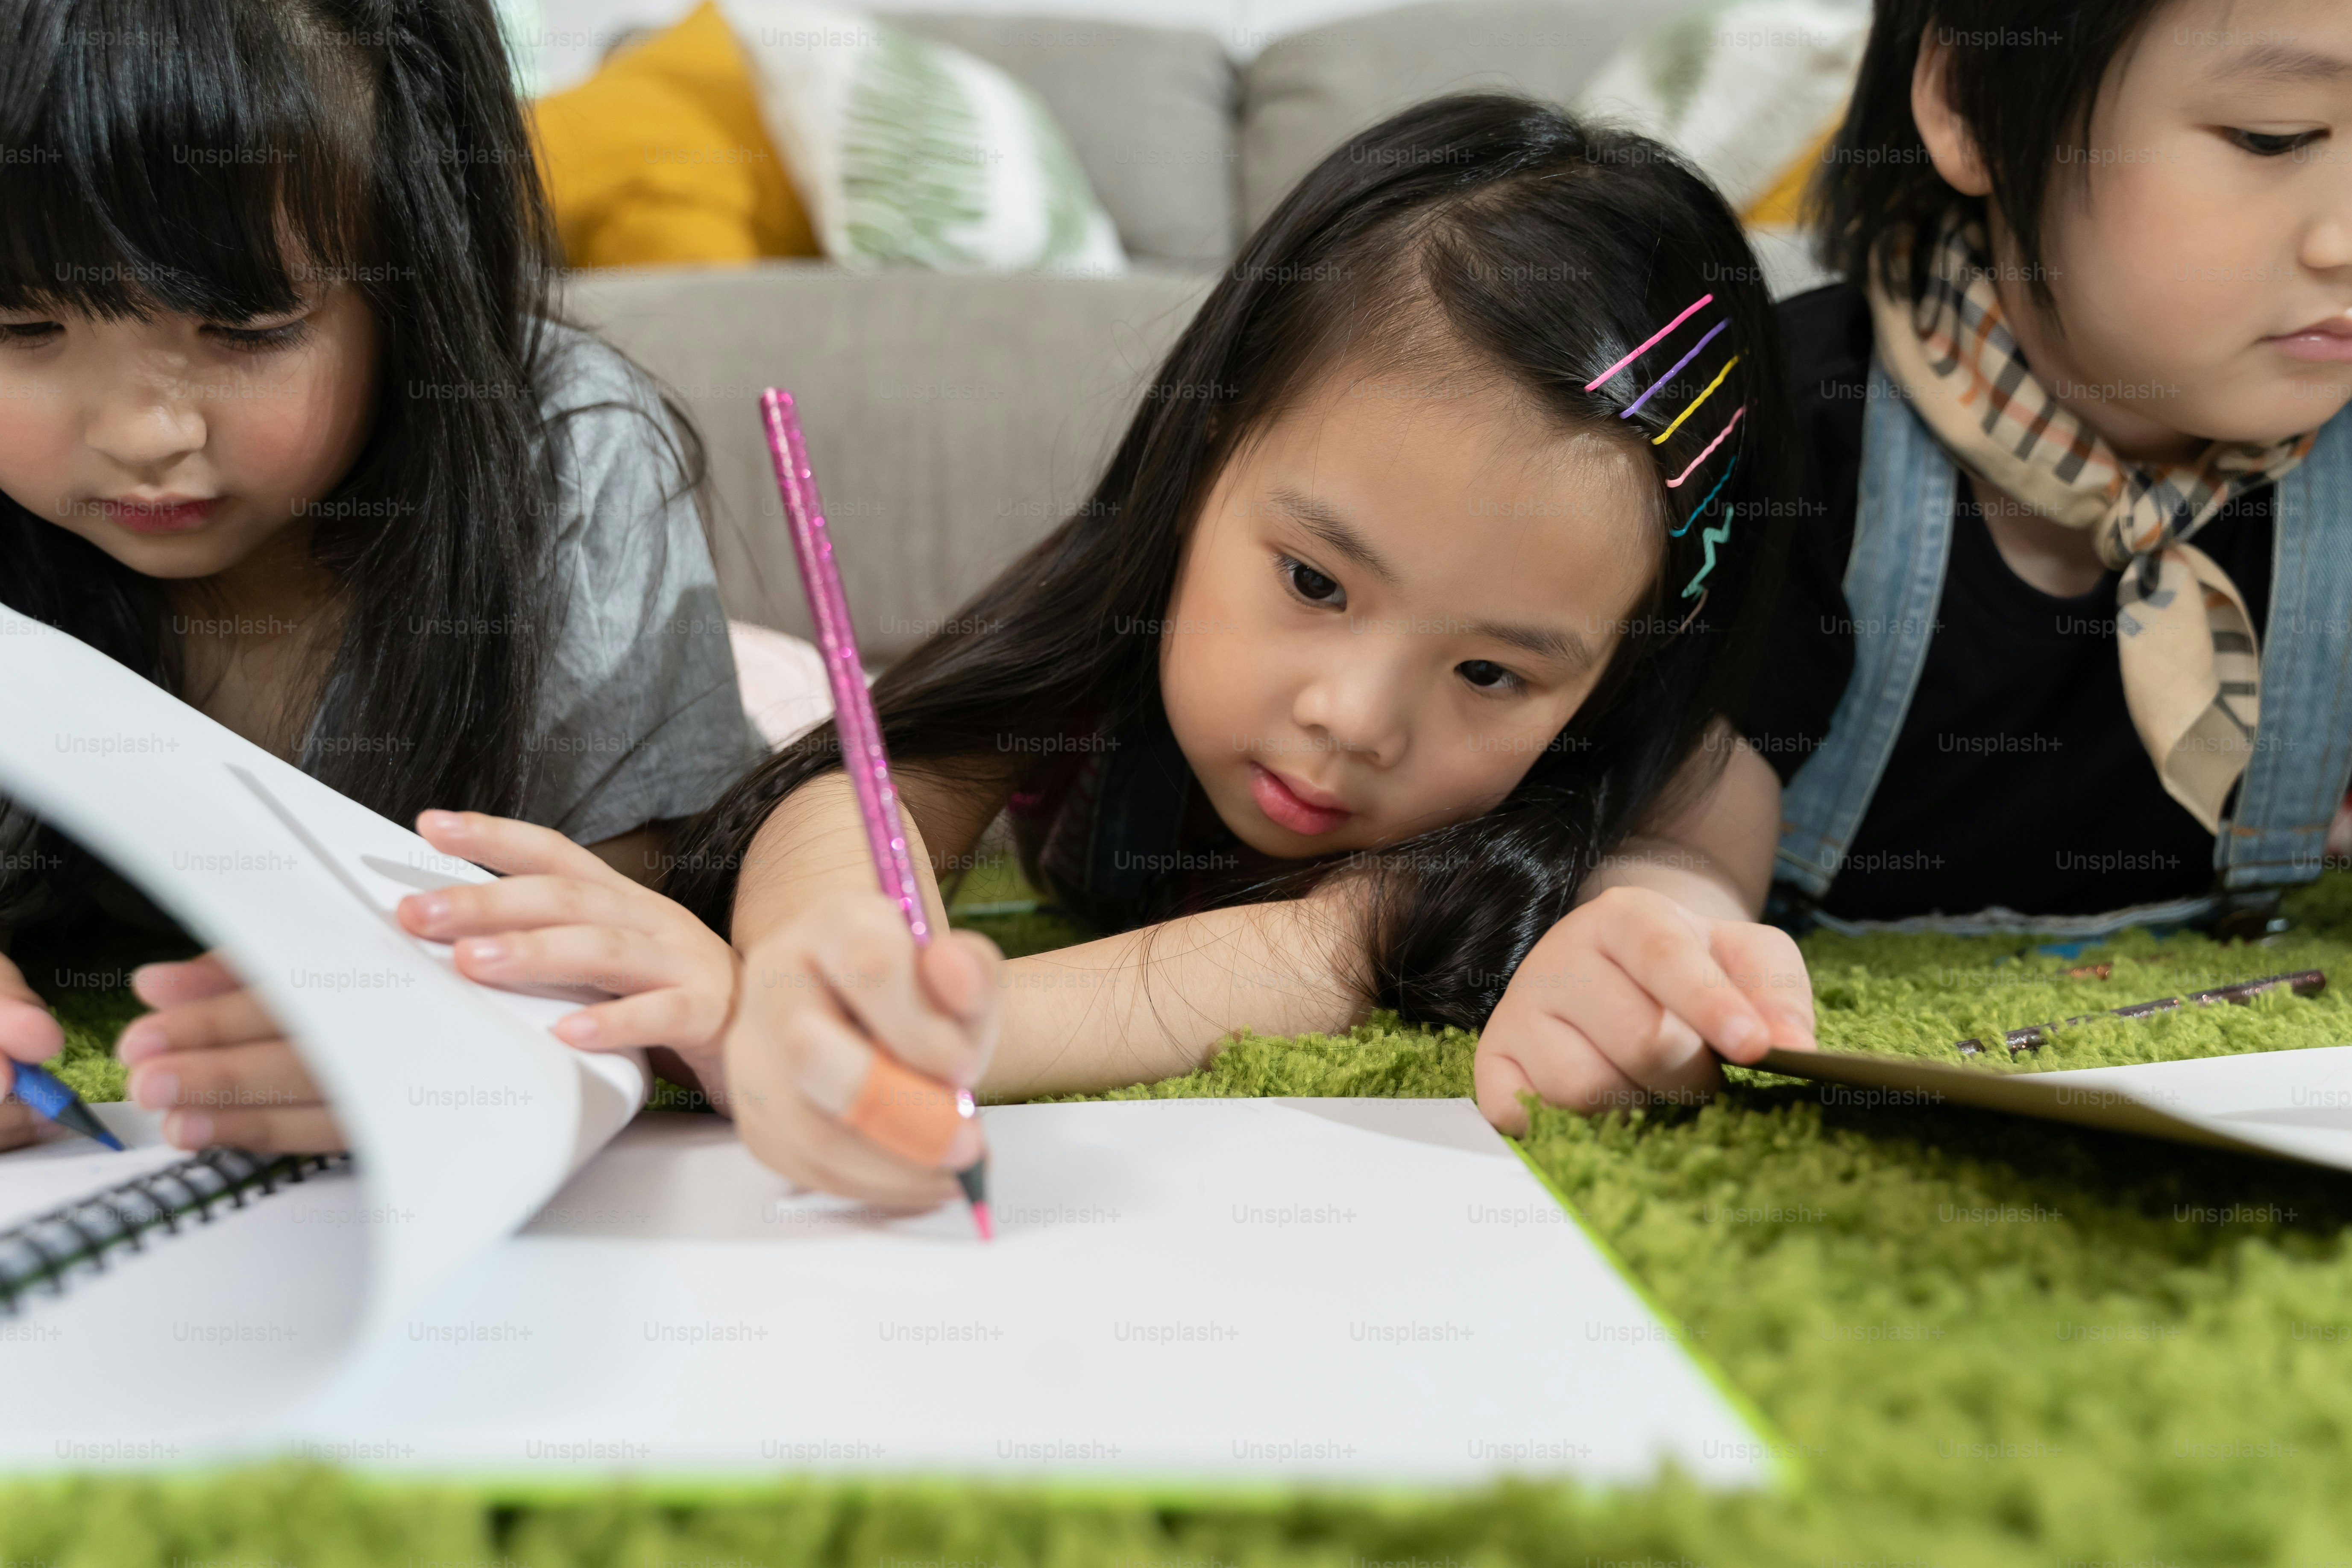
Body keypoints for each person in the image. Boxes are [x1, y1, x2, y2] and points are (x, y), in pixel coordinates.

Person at [0, 0, 765, 1152]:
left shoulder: (570, 462)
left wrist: (465, 997)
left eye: (245, 329)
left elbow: (636, 885)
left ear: (420, 275)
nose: (145, 434)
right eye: (23, 328)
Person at [1744, 0, 2352, 937]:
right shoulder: (1782, 435)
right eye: (2271, 137)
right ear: (1971, 103)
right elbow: (1673, 841)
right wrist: (1681, 909)